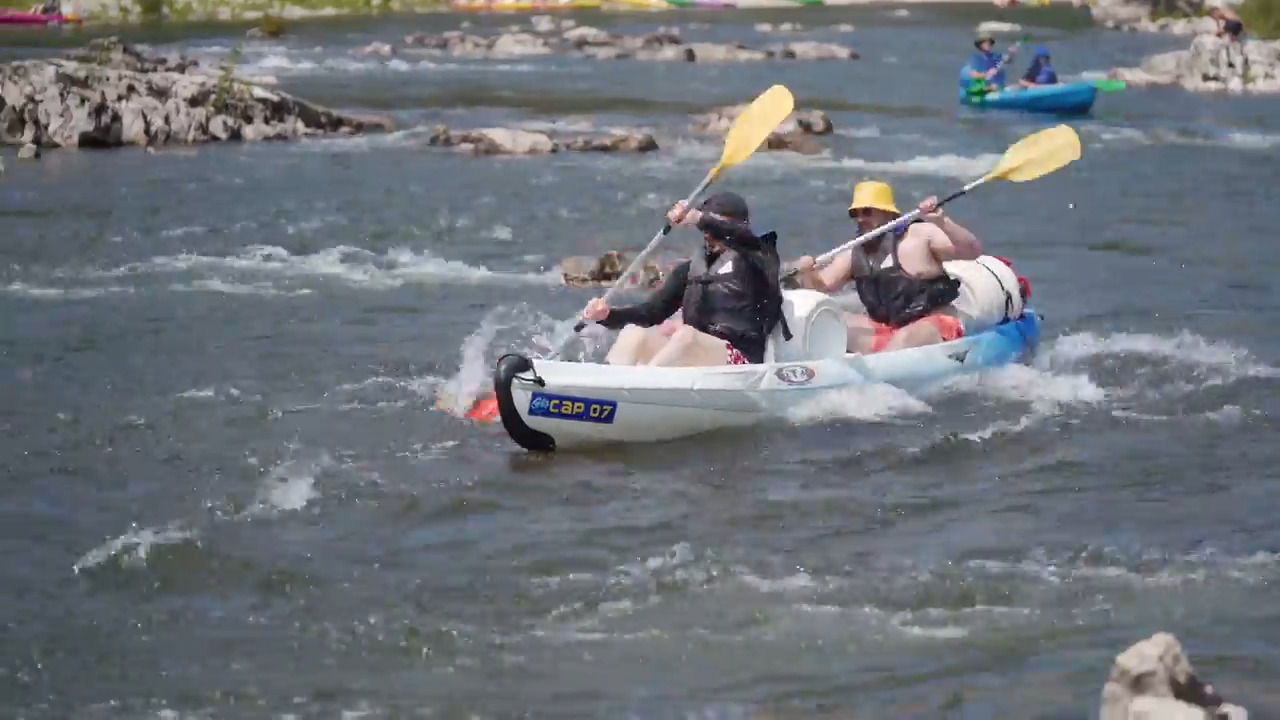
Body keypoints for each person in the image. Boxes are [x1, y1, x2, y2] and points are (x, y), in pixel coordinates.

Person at [580, 192, 790, 367]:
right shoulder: (689, 271)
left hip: (740, 364)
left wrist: (698, 218)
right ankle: (608, 386)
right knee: (635, 333)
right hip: (692, 357)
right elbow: (650, 313)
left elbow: (737, 236)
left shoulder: (760, 257)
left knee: (687, 336)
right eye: (707, 228)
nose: (709, 233)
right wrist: (607, 315)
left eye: (716, 225)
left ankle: (640, 389)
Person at [789, 181, 984, 354]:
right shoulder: (854, 253)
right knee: (834, 321)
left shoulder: (919, 235)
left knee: (906, 338)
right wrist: (808, 271)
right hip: (889, 331)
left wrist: (942, 222)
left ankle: (879, 368)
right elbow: (820, 288)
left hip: (936, 324)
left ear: (888, 213)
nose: (860, 218)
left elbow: (972, 251)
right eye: (854, 213)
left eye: (867, 211)